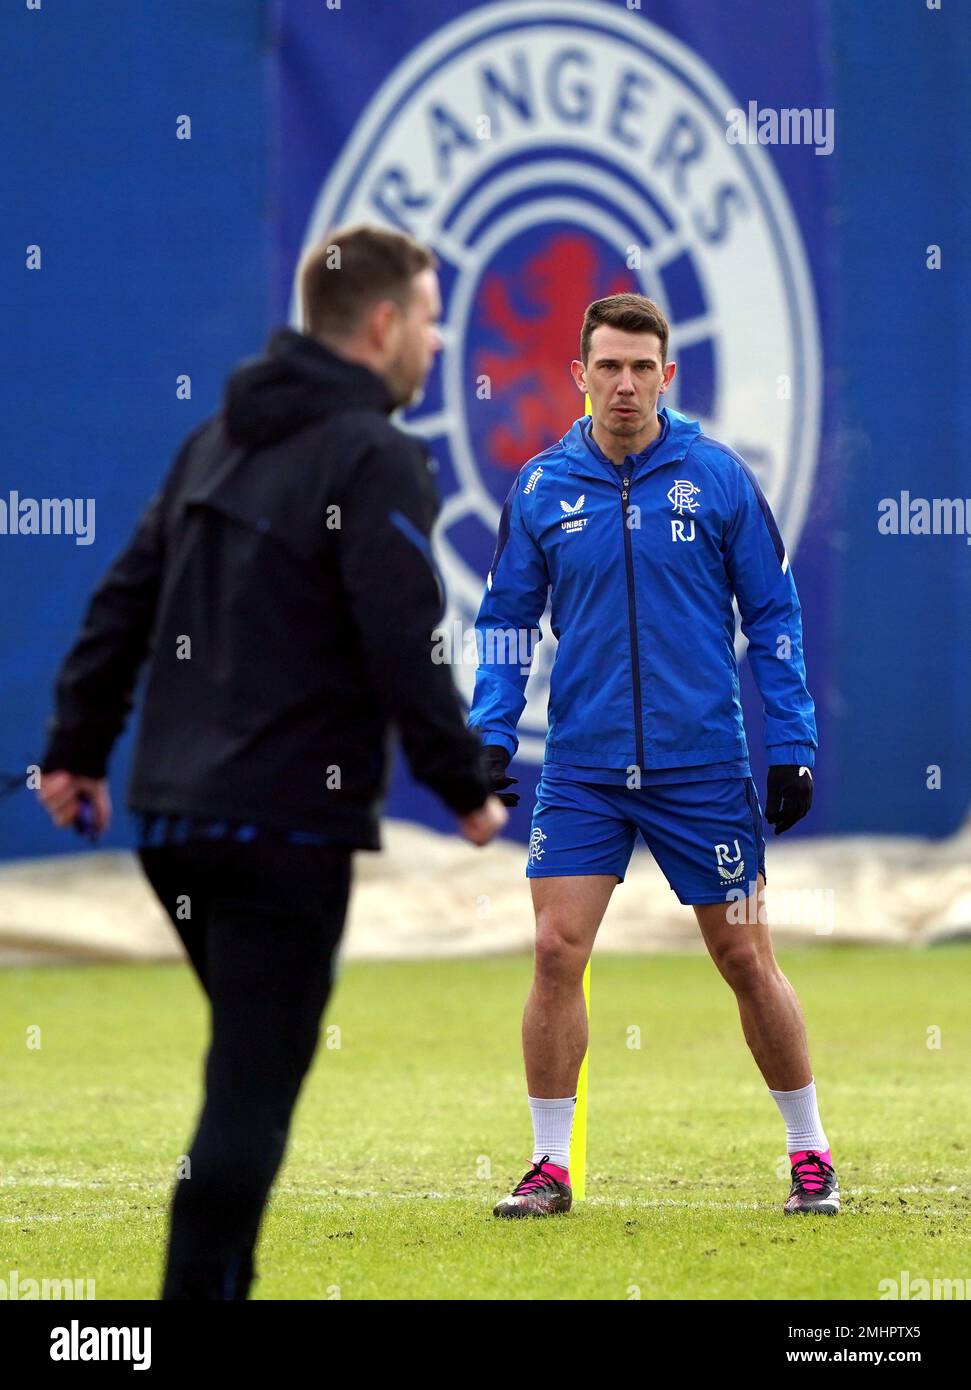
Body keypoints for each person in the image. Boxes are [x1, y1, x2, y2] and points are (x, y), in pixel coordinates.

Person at [36, 224, 507, 1298]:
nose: (437, 344)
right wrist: (462, 784)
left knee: (248, 1069)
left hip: (173, 823)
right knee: (249, 1091)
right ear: (383, 323)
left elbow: (123, 601)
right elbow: (403, 633)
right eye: (431, 319)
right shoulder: (372, 452)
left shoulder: (216, 441)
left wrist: (74, 749)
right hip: (282, 826)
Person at [470, 292, 837, 1219]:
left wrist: (790, 742)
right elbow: (507, 619)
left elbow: (774, 614)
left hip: (703, 768)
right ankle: (549, 1167)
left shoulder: (715, 479)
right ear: (578, 375)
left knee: (745, 956)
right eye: (608, 366)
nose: (625, 383)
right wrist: (489, 730)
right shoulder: (543, 487)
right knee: (556, 951)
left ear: (667, 376)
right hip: (584, 769)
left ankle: (809, 1151)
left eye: (642, 367)